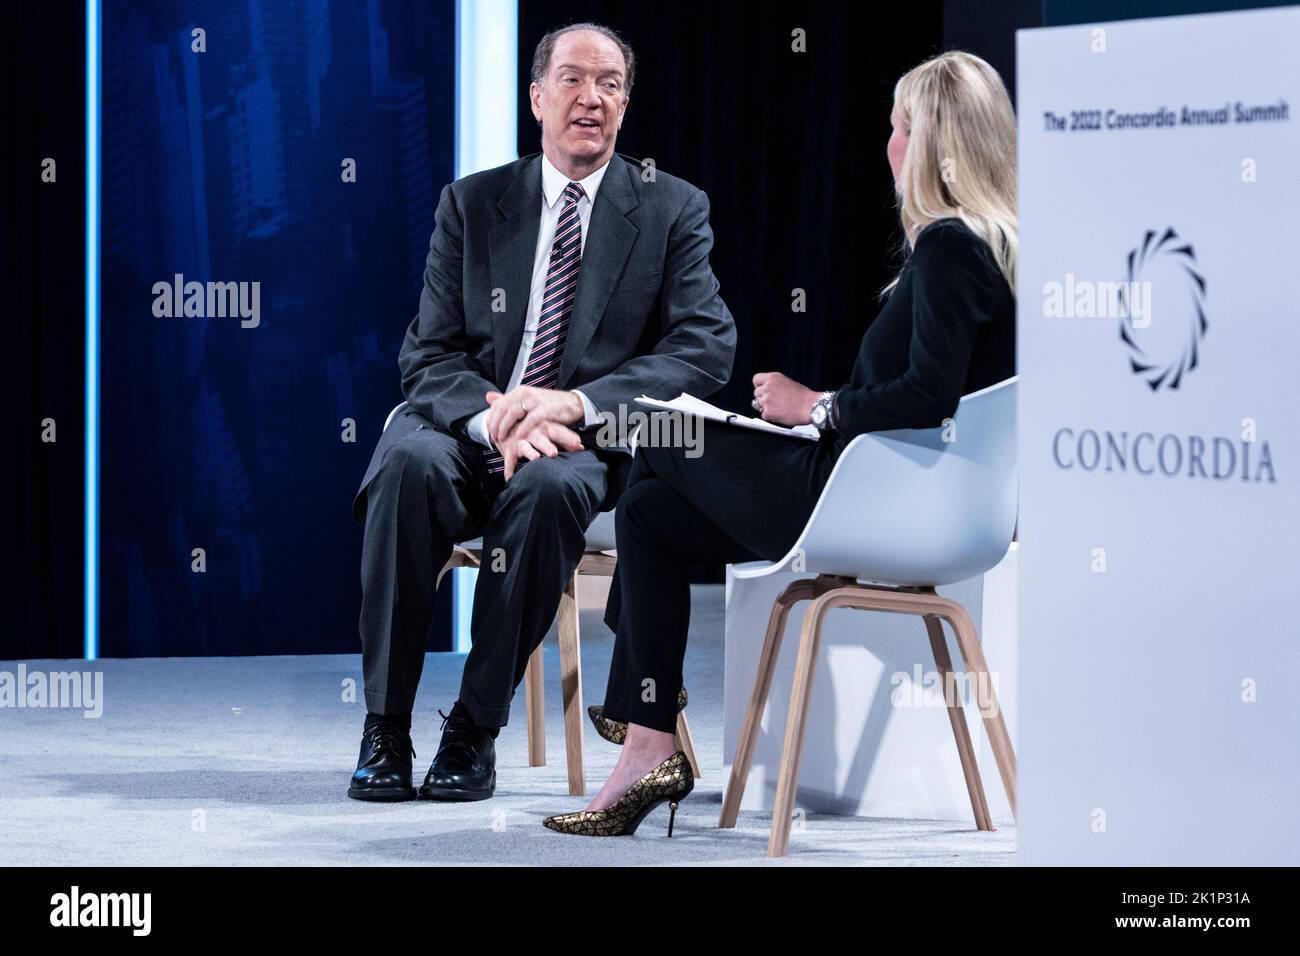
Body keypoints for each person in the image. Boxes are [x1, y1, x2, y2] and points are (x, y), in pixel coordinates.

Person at [542, 50, 1018, 837]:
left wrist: (815, 407)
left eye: (900, 127)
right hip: (914, 500)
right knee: (652, 514)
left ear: (935, 144)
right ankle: (650, 740)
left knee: (654, 432)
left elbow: (927, 397)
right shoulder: (1001, 249)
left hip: (865, 505)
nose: (888, 144)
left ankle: (638, 702)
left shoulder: (951, 248)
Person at [348, 22, 736, 803]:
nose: (591, 98)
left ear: (626, 105)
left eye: (610, 84)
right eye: (572, 79)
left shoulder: (671, 208)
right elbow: (427, 352)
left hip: (582, 442)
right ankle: (385, 725)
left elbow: (704, 348)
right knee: (403, 462)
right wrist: (495, 419)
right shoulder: (474, 202)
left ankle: (473, 727)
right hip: (475, 431)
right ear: (536, 97)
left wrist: (575, 403)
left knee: (550, 488)